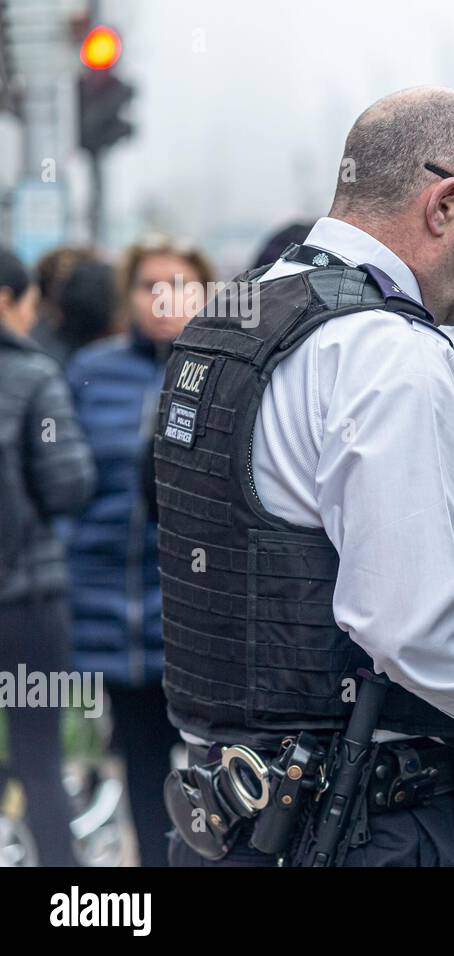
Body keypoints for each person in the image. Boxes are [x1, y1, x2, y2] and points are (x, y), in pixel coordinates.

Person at [160, 86, 454, 868]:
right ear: (446, 205)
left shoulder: (233, 318)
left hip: (221, 819)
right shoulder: (393, 355)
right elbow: (408, 619)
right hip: (350, 824)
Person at [64, 236, 214, 866]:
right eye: (147, 285)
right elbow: (64, 483)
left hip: (205, 620)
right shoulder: (91, 370)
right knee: (144, 771)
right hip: (113, 616)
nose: (162, 300)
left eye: (177, 284)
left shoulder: (227, 365)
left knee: (218, 784)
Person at [0, 248, 97, 866]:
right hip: (27, 601)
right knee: (40, 763)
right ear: (9, 301)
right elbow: (69, 485)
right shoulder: (33, 375)